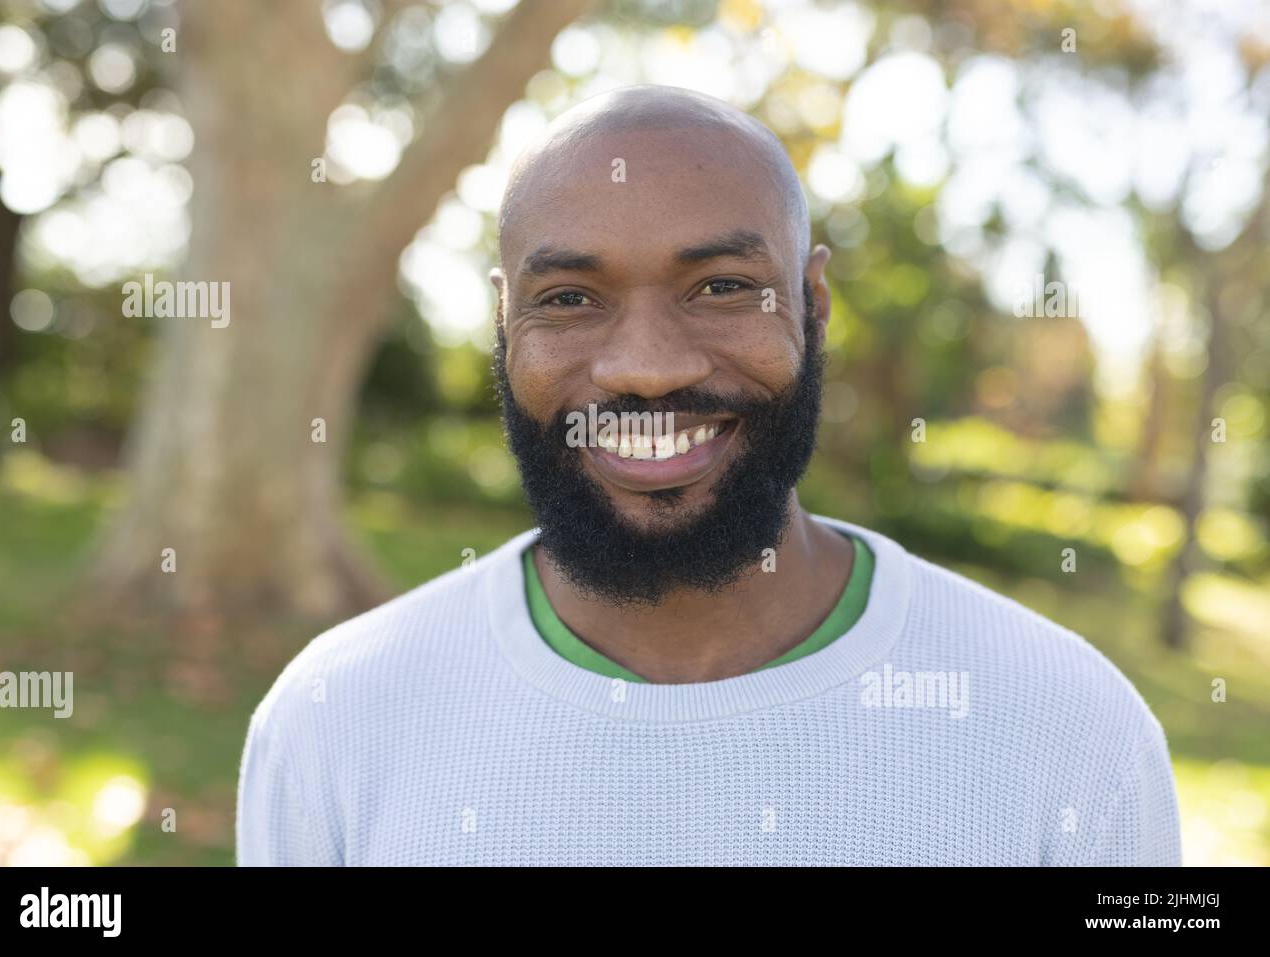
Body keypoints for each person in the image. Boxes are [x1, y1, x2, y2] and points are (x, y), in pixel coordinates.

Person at [237, 85, 1181, 866]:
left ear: (812, 305)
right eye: (569, 300)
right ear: (503, 326)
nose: (646, 367)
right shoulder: (336, 719)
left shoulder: (1070, 729)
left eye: (722, 287)